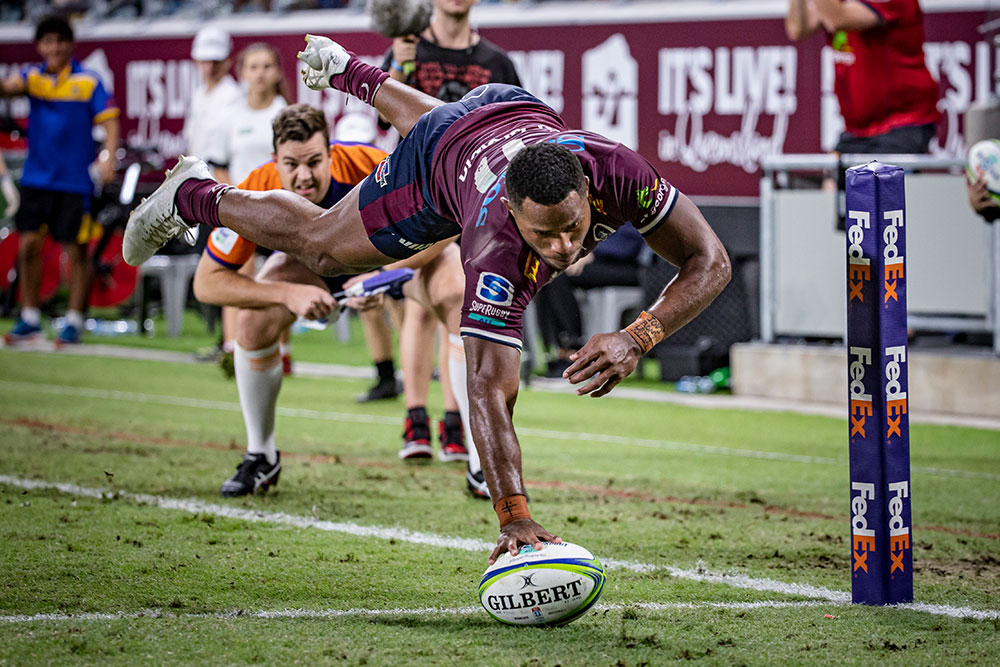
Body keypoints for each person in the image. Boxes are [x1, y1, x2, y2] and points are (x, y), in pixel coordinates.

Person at [123, 36, 731, 563]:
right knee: (325, 249)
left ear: (587, 185)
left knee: (448, 121)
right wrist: (513, 514)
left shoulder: (617, 168)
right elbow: (489, 385)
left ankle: (348, 72)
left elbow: (712, 258)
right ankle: (195, 195)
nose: (565, 246)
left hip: (508, 110)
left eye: (573, 225)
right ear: (513, 215)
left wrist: (638, 335)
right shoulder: (495, 248)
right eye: (543, 234)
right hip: (444, 165)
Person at [192, 103, 388, 496]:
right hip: (311, 268)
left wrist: (383, 276)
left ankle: (475, 460)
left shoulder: (373, 166)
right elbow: (207, 284)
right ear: (274, 161)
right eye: (291, 164)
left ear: (332, 153)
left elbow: (444, 225)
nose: (303, 175)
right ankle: (261, 454)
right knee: (251, 322)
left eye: (315, 162)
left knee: (452, 285)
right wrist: (287, 293)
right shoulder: (255, 189)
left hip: (389, 259)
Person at [383, 0, 522, 464]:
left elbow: (515, 129)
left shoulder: (497, 62)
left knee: (458, 303)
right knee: (422, 305)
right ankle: (417, 419)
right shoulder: (407, 50)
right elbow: (385, 118)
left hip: (476, 194)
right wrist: (400, 63)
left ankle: (455, 422)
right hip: (418, 190)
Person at [1, 15, 120, 346]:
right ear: (39, 46)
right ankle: (29, 317)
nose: (54, 48)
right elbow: (7, 86)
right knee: (27, 246)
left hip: (75, 181)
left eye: (60, 41)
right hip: (36, 178)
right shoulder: (32, 78)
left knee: (77, 251)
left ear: (70, 44)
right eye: (47, 41)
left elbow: (110, 123)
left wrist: (108, 156)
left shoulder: (88, 81)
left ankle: (74, 320)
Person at [785, 0, 940, 226]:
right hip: (857, 131)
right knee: (831, 207)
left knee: (883, 221)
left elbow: (837, 18)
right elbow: (797, 28)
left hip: (900, 126)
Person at [534, 225, 644, 377]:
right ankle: (556, 350)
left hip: (631, 266)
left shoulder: (632, 204)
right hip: (599, 259)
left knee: (560, 276)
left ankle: (573, 352)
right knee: (547, 272)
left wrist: (592, 250)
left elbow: (630, 241)